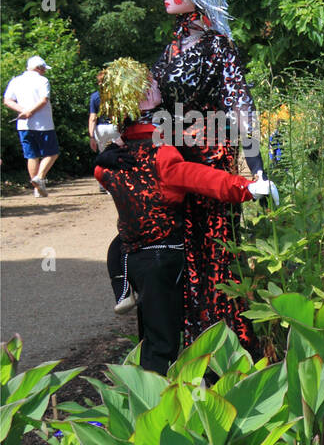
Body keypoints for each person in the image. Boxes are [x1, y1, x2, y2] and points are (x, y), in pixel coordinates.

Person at [93, 59, 276, 374]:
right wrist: (249, 188)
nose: (154, 86)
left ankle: (123, 289)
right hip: (164, 257)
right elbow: (203, 179)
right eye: (145, 86)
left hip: (136, 255)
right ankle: (157, 406)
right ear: (134, 100)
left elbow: (102, 172)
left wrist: (110, 147)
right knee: (162, 341)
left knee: (152, 330)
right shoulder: (161, 152)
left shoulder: (110, 162)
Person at [150, 0, 265, 353]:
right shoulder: (172, 47)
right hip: (175, 166)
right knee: (184, 259)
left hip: (212, 164)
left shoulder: (218, 46)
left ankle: (231, 353)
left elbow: (240, 108)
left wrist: (258, 170)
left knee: (217, 258)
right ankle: (191, 350)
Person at [4, 56, 60, 197]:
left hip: (23, 125)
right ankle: (39, 178)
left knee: (32, 155)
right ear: (39, 68)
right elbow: (44, 100)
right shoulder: (42, 81)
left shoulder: (16, 81)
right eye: (44, 69)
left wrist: (22, 110)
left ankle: (37, 190)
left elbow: (7, 100)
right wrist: (30, 111)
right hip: (43, 124)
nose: (45, 72)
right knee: (52, 153)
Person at [88, 72, 112, 192]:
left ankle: (103, 183)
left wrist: (91, 136)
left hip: (100, 128)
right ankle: (113, 183)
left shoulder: (95, 96)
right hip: (114, 127)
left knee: (103, 155)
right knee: (116, 154)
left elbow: (93, 118)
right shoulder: (117, 95)